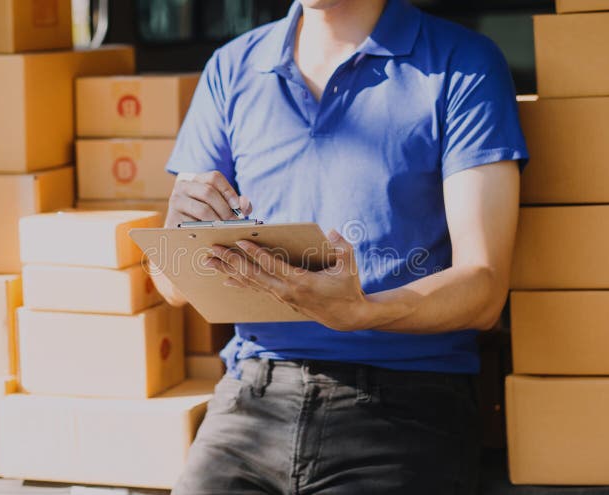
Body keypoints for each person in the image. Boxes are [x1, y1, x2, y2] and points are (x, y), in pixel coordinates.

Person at [156, 0, 528, 493]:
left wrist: (362, 312)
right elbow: (170, 286)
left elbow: (484, 288)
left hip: (406, 398)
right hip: (254, 391)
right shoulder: (233, 66)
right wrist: (178, 242)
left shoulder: (462, 62)